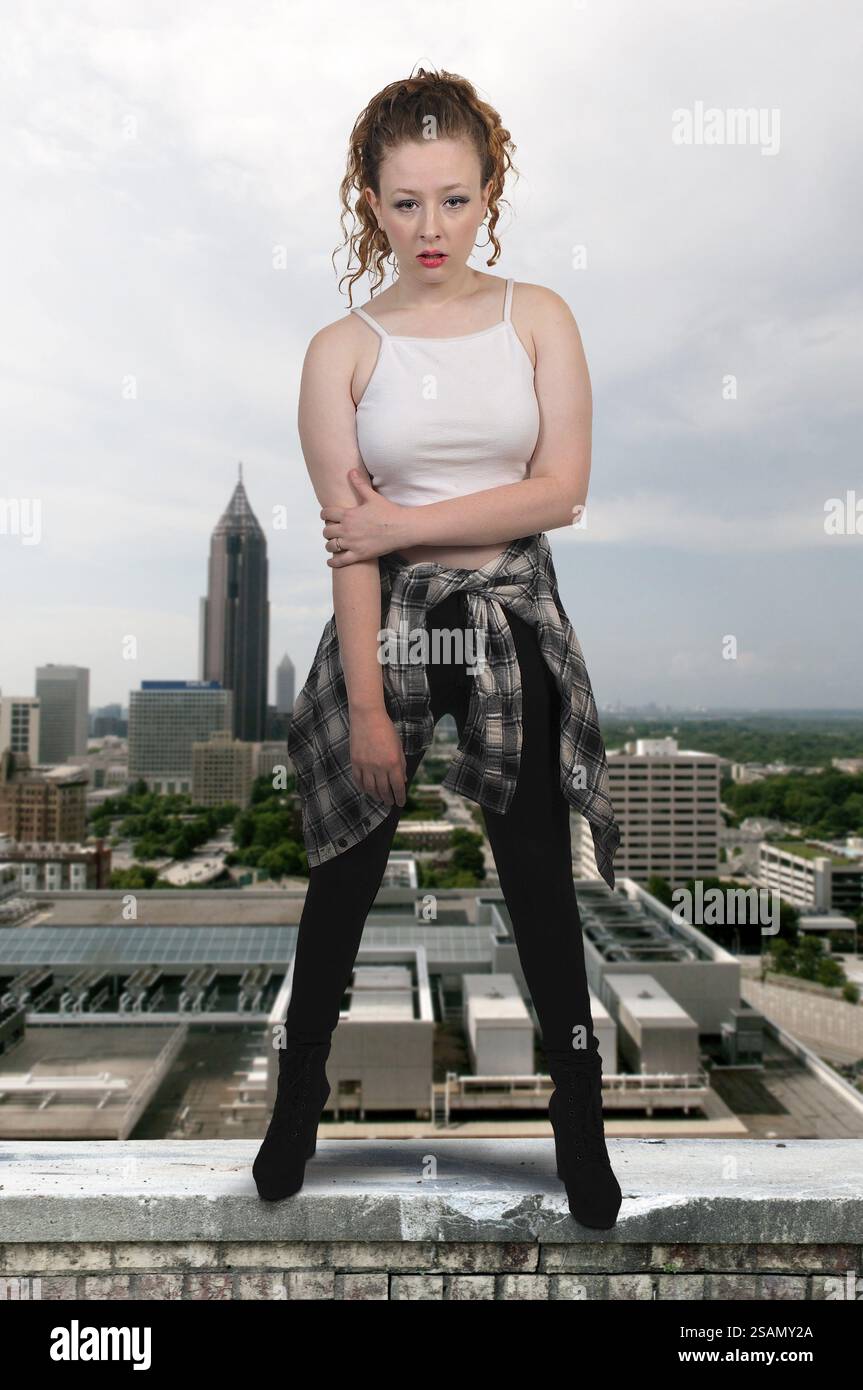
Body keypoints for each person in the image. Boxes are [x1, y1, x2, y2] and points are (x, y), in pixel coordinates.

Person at [253, 66, 622, 1230]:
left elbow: (557, 492)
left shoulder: (539, 316)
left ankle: (579, 1125)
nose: (431, 229)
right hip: (389, 623)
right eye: (406, 202)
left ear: (488, 190)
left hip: (512, 616)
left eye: (454, 200)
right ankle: (294, 1104)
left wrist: (403, 520)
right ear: (368, 199)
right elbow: (345, 551)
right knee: (343, 872)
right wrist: (365, 705)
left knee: (535, 879)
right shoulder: (338, 350)